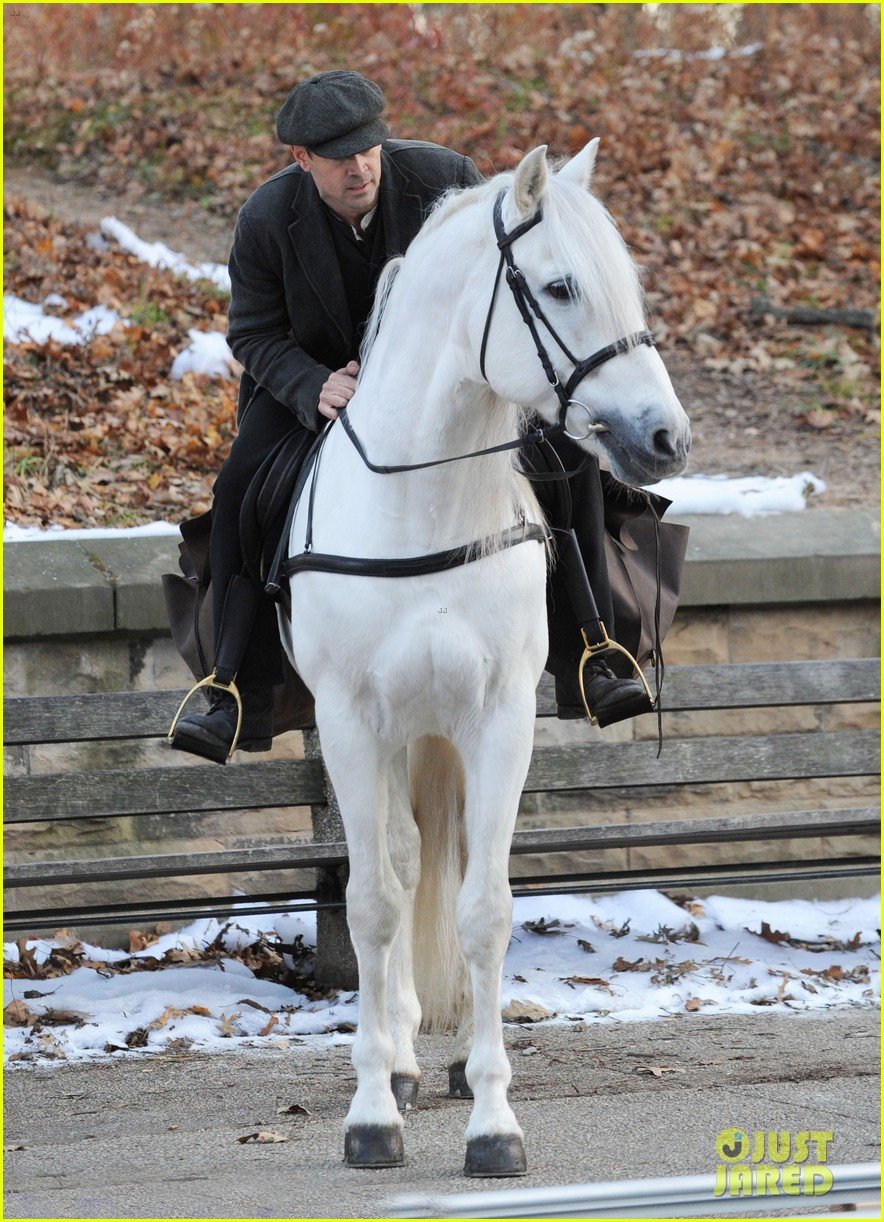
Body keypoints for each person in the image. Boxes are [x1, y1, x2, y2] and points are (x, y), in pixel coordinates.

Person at [171, 70, 647, 761]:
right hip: (325, 386)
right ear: (301, 158)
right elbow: (252, 333)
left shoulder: (444, 179)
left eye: (369, 148)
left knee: (569, 456)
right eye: (340, 158)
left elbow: (500, 285)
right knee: (239, 489)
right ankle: (227, 684)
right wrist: (310, 385)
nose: (361, 168)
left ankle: (596, 649)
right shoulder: (266, 218)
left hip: (449, 384)